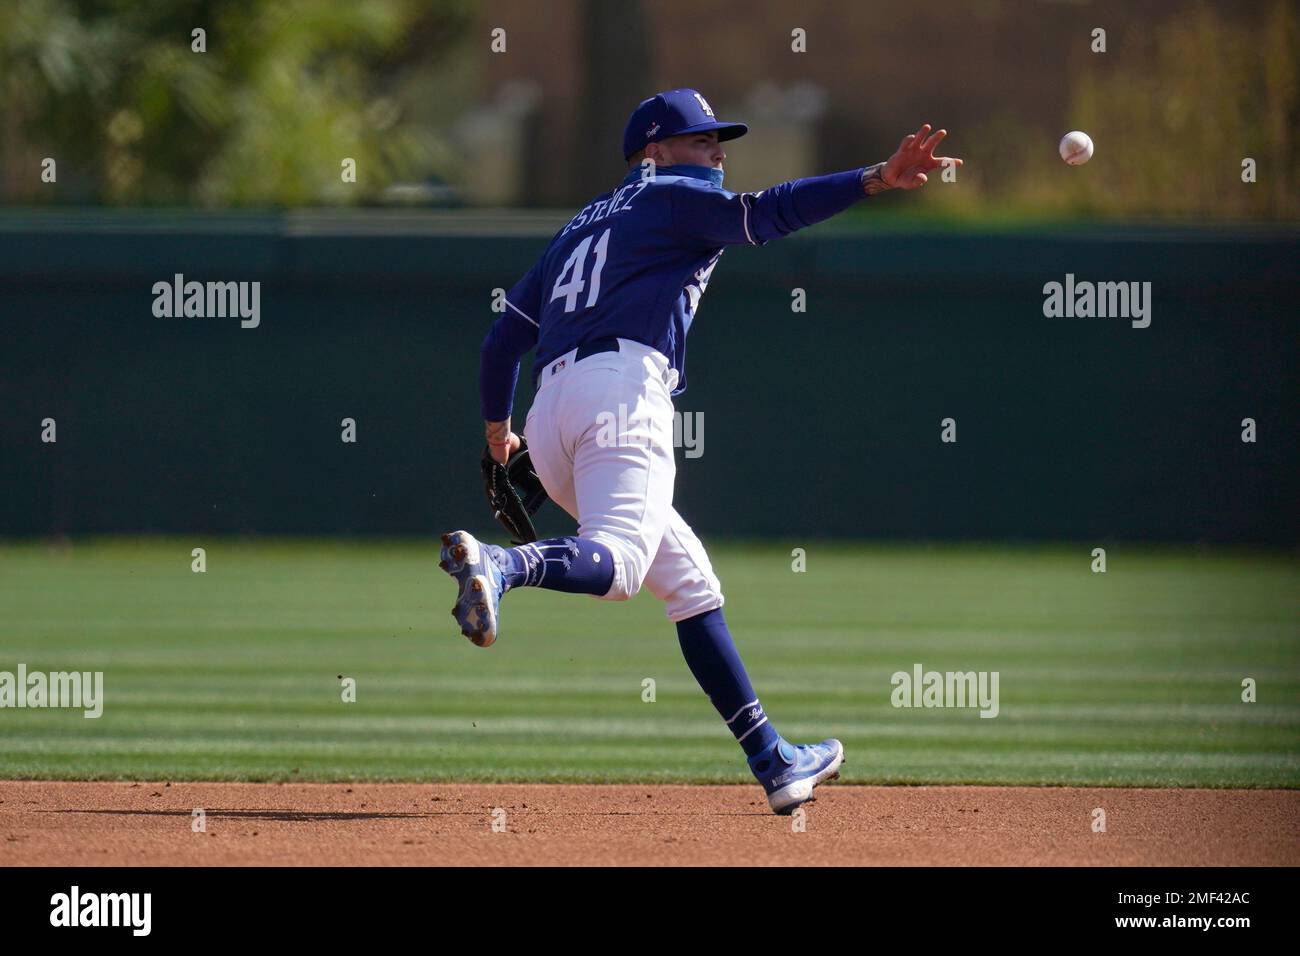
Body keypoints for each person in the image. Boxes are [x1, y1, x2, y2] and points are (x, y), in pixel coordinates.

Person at [440, 88, 962, 814]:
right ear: (653, 152)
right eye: (701, 139)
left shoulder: (581, 224)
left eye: (720, 139)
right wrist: (875, 178)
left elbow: (503, 339)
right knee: (621, 565)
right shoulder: (670, 196)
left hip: (551, 411)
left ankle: (776, 761)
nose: (717, 151)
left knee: (690, 586)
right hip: (620, 390)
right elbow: (770, 211)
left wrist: (500, 435)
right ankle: (502, 565)